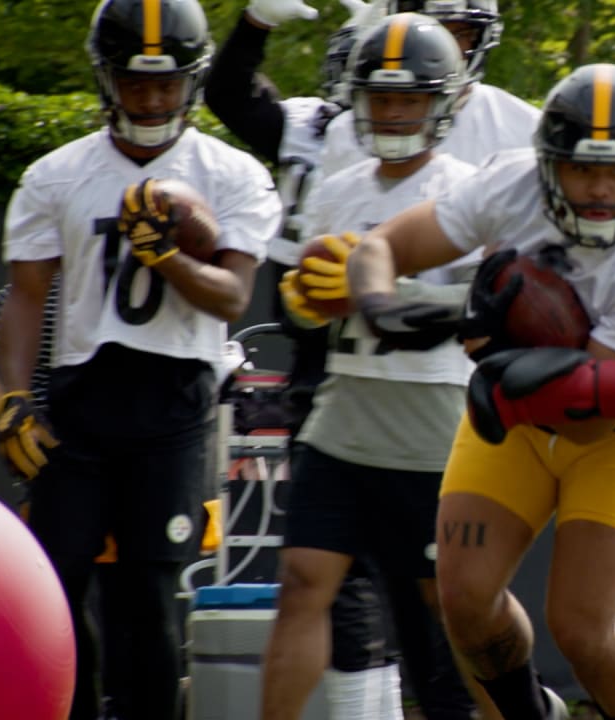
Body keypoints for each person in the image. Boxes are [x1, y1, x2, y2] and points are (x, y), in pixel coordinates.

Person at [342, 63, 615, 720]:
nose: (599, 189)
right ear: (546, 165)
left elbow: (588, 419)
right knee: (465, 598)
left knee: (583, 631)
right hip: (516, 413)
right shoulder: (511, 185)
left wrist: (497, 359)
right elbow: (383, 246)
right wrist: (377, 303)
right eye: (582, 169)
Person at [0, 0, 281, 717]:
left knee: (150, 595)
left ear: (193, 80)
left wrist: (168, 258)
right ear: (106, 78)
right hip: (82, 401)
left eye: (168, 83)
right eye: (135, 82)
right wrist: (14, 395)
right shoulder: (56, 174)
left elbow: (232, 297)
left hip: (174, 403)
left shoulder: (231, 173)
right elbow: (27, 295)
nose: (152, 98)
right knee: (56, 586)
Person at [259, 13, 490, 720]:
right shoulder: (334, 187)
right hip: (344, 410)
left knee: (453, 605)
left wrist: (389, 296)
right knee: (302, 582)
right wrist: (306, 301)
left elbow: (489, 305)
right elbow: (300, 311)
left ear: (443, 102)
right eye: (381, 97)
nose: (393, 111)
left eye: (410, 97)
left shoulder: (471, 191)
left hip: (433, 420)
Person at [203, 2, 409, 717]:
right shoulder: (311, 127)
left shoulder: (449, 156)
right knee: (333, 558)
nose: (382, 102)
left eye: (403, 89)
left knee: (414, 567)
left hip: (413, 356)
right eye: (370, 81)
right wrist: (253, 23)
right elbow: (228, 94)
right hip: (320, 347)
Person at [0, 279, 224, 720]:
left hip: (139, 455)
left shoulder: (145, 283)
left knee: (131, 602)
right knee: (68, 601)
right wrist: (12, 410)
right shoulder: (51, 282)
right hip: (66, 458)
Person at [318, 0, 540, 178]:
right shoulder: (347, 131)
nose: (444, 46)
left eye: (460, 33)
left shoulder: (524, 127)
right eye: (428, 30)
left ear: (480, 38)